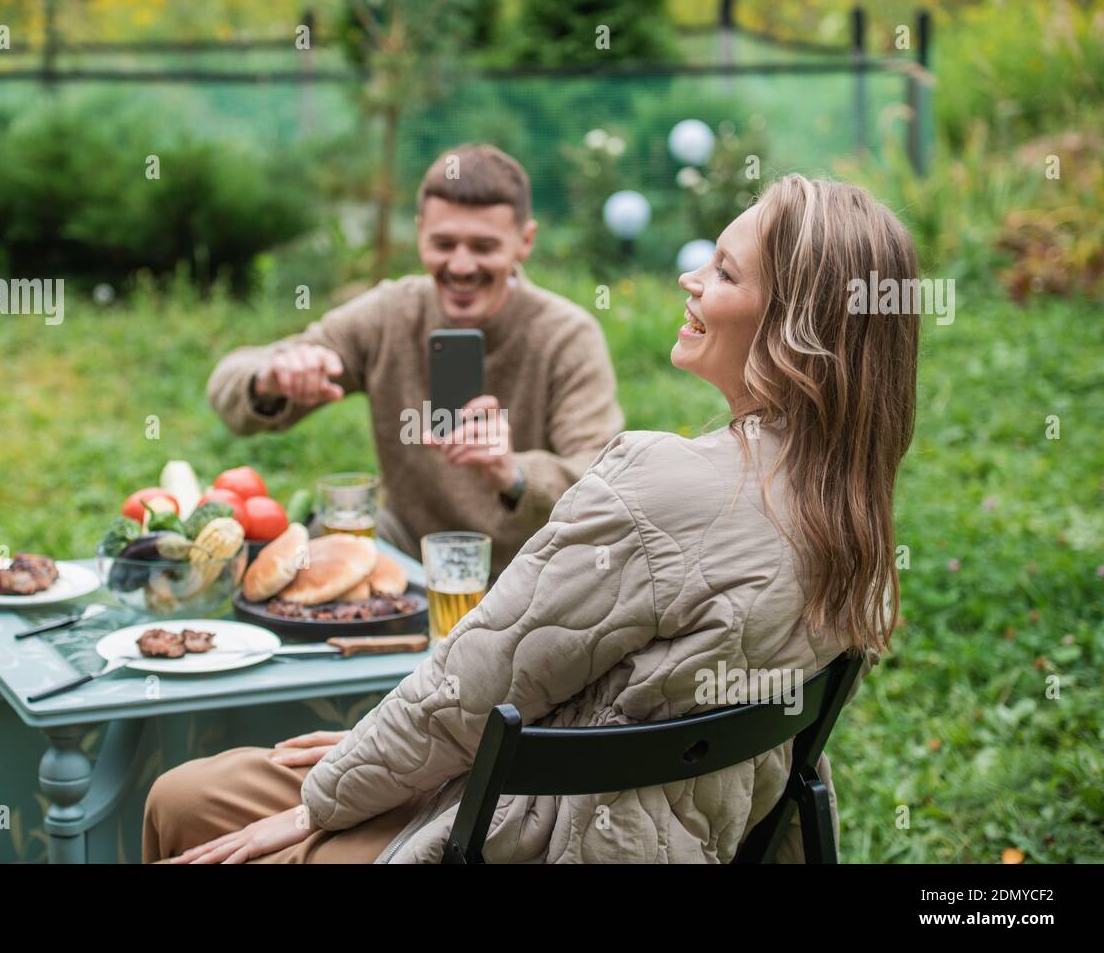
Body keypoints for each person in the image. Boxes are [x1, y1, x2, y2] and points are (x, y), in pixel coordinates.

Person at [144, 173, 919, 863]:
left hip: (520, 817)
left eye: (722, 270)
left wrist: (325, 800)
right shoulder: (846, 503)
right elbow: (519, 686)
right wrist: (276, 378)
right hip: (602, 784)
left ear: (792, 325)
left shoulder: (633, 442)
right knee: (203, 794)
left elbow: (473, 687)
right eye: (441, 241)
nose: (690, 277)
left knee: (182, 804)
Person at [206, 144, 623, 574]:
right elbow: (227, 386)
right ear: (420, 232)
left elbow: (601, 487)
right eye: (443, 243)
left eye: (483, 246)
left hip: (530, 567)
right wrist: (271, 378)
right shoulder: (390, 314)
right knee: (313, 553)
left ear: (525, 241)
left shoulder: (566, 335)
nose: (461, 266)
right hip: (406, 553)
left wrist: (514, 473)